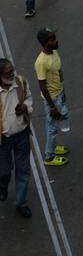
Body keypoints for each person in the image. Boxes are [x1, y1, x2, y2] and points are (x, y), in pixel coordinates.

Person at [0, 55, 34, 217]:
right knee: (4, 171)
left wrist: (26, 108)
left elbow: (29, 99)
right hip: (3, 140)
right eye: (7, 73)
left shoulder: (21, 82)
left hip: (22, 136)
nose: (11, 75)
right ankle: (3, 185)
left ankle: (21, 203)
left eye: (12, 71)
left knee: (23, 170)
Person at [34, 27, 69, 167]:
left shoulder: (54, 52)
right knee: (52, 127)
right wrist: (52, 106)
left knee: (58, 121)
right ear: (45, 43)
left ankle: (53, 148)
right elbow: (42, 85)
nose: (56, 40)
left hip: (59, 93)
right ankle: (49, 156)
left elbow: (59, 73)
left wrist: (63, 91)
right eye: (52, 39)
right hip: (52, 98)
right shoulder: (41, 62)